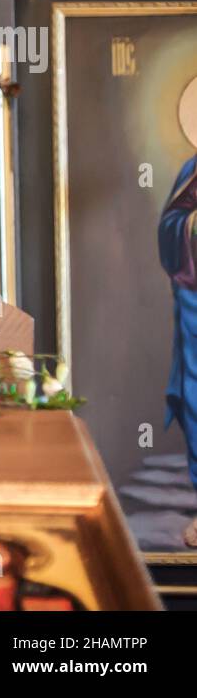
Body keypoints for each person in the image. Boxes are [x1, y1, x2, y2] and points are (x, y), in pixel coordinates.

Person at [159, 154, 197, 549]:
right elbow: (169, 226)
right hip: (196, 302)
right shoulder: (192, 169)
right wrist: (192, 224)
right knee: (196, 398)